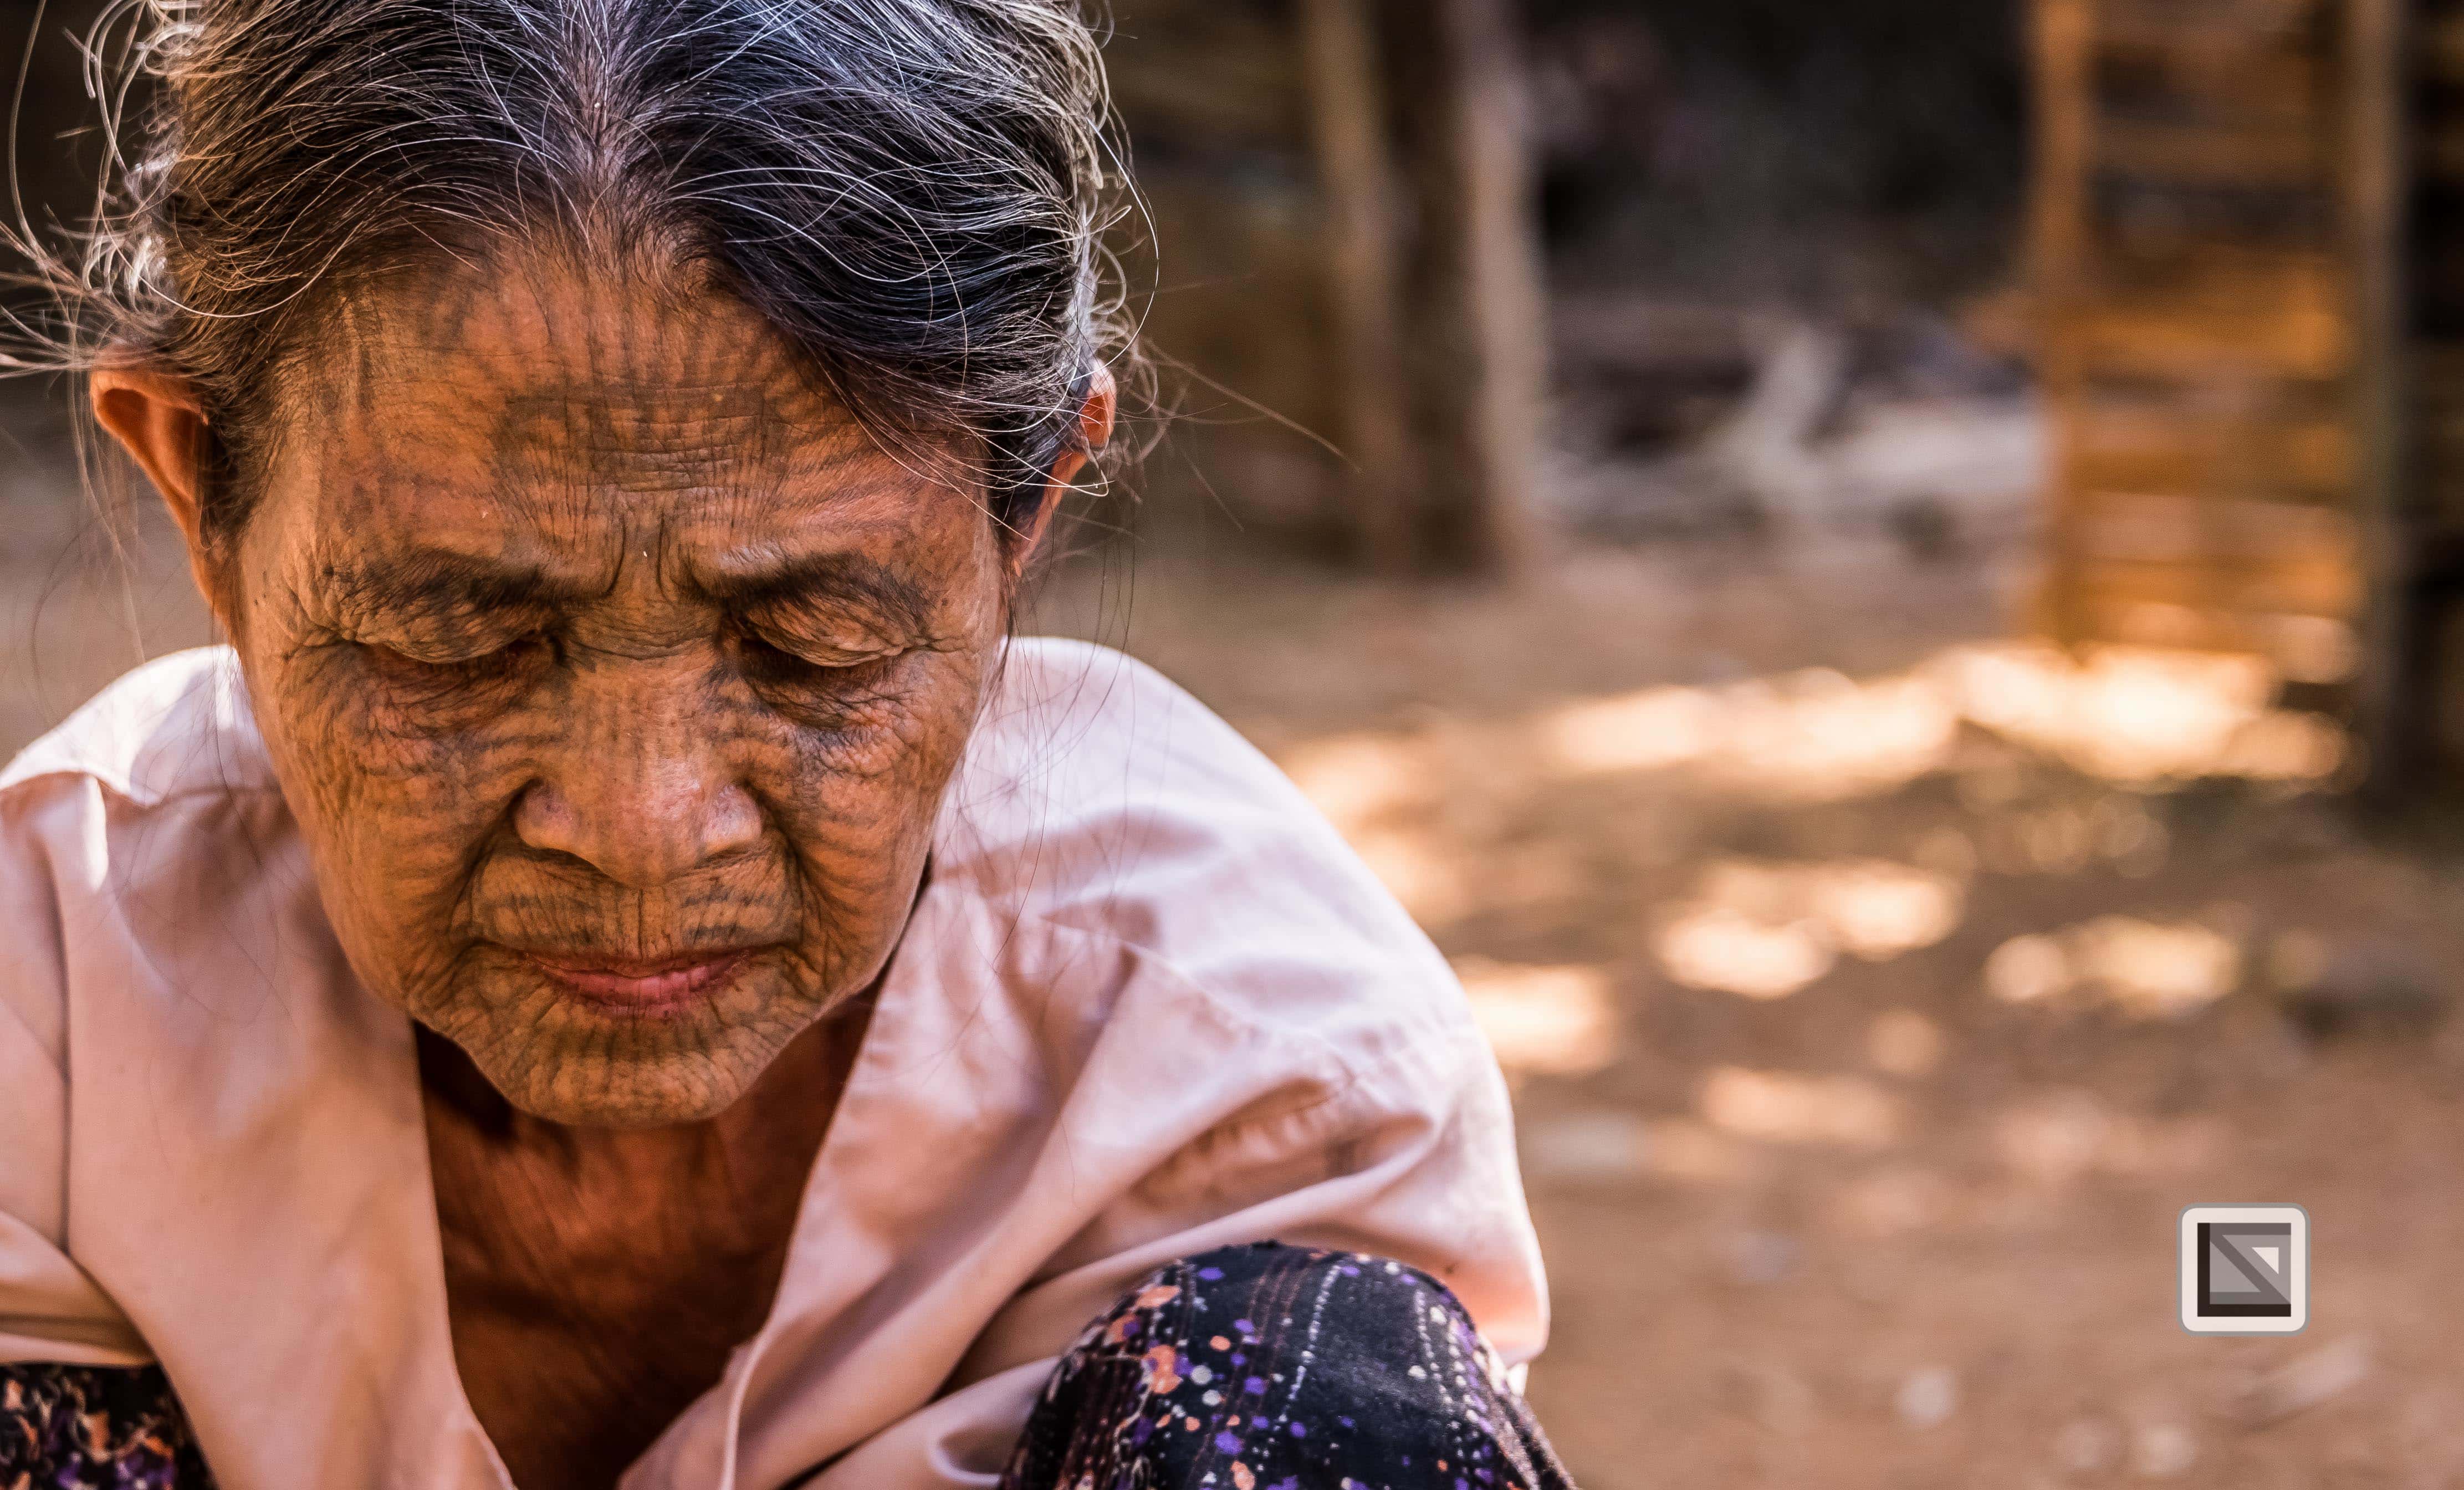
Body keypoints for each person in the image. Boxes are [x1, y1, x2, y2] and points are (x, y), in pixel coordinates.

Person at [0, 2, 1574, 1487]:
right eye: (459, 640)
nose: (641, 822)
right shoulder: (50, 1027)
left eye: (807, 643)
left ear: (1022, 518)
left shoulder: (1252, 1090)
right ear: (201, 491)